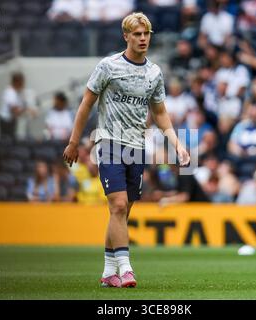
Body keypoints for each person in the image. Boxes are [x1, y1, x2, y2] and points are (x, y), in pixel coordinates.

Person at [63, 12, 190, 288]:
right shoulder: (108, 66)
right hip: (109, 142)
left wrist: (177, 143)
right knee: (118, 205)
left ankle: (109, 272)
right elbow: (86, 104)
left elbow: (159, 112)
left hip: (136, 147)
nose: (143, 38)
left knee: (122, 212)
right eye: (137, 34)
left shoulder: (154, 73)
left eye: (146, 34)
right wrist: (74, 142)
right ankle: (126, 269)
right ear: (126, 36)